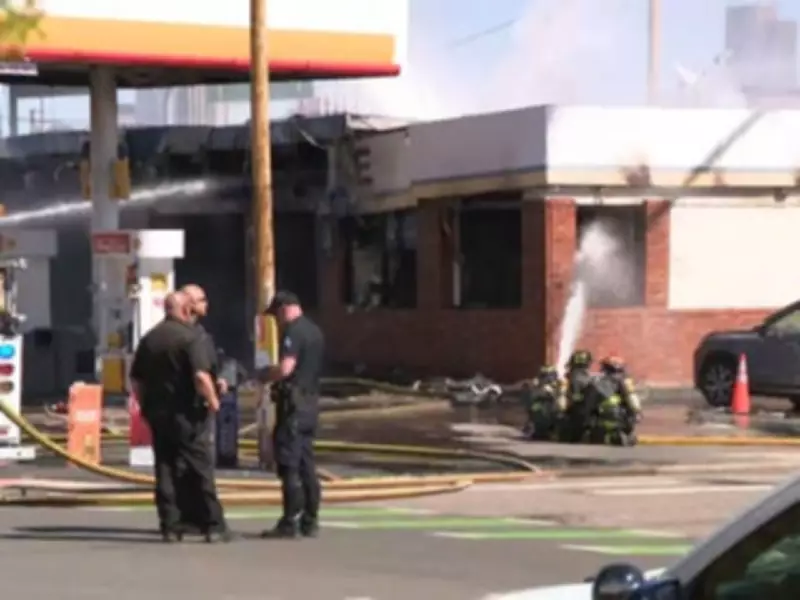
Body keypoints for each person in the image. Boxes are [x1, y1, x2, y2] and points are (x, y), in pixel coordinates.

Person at [129, 291, 230, 543]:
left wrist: (143, 407)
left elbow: (136, 380)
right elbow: (200, 377)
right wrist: (214, 401)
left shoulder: (150, 339)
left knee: (165, 467)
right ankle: (213, 524)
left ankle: (171, 525)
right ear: (186, 310)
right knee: (199, 466)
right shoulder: (190, 337)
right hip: (186, 413)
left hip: (158, 412)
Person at [257, 290, 324, 539]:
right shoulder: (315, 331)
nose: (277, 320)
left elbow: (286, 369)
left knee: (289, 464)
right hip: (310, 403)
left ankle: (290, 521)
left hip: (293, 407)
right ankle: (310, 519)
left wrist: (265, 374)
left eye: (276, 315)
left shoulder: (294, 331)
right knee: (307, 463)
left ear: (285, 308)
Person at [588, 356, 643, 446]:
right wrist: (637, 413)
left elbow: (591, 401)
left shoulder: (597, 380)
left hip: (601, 418)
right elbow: (632, 398)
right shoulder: (625, 381)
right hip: (621, 417)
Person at [521, 365, 566, 441]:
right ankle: (534, 428)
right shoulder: (535, 385)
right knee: (535, 408)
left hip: (555, 410)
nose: (547, 379)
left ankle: (556, 430)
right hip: (540, 411)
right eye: (544, 376)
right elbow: (531, 400)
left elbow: (563, 398)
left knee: (560, 406)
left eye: (550, 376)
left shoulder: (560, 384)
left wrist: (555, 393)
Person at [562, 349, 595, 443]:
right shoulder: (579, 377)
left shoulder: (573, 375)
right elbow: (575, 396)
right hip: (578, 409)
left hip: (579, 407)